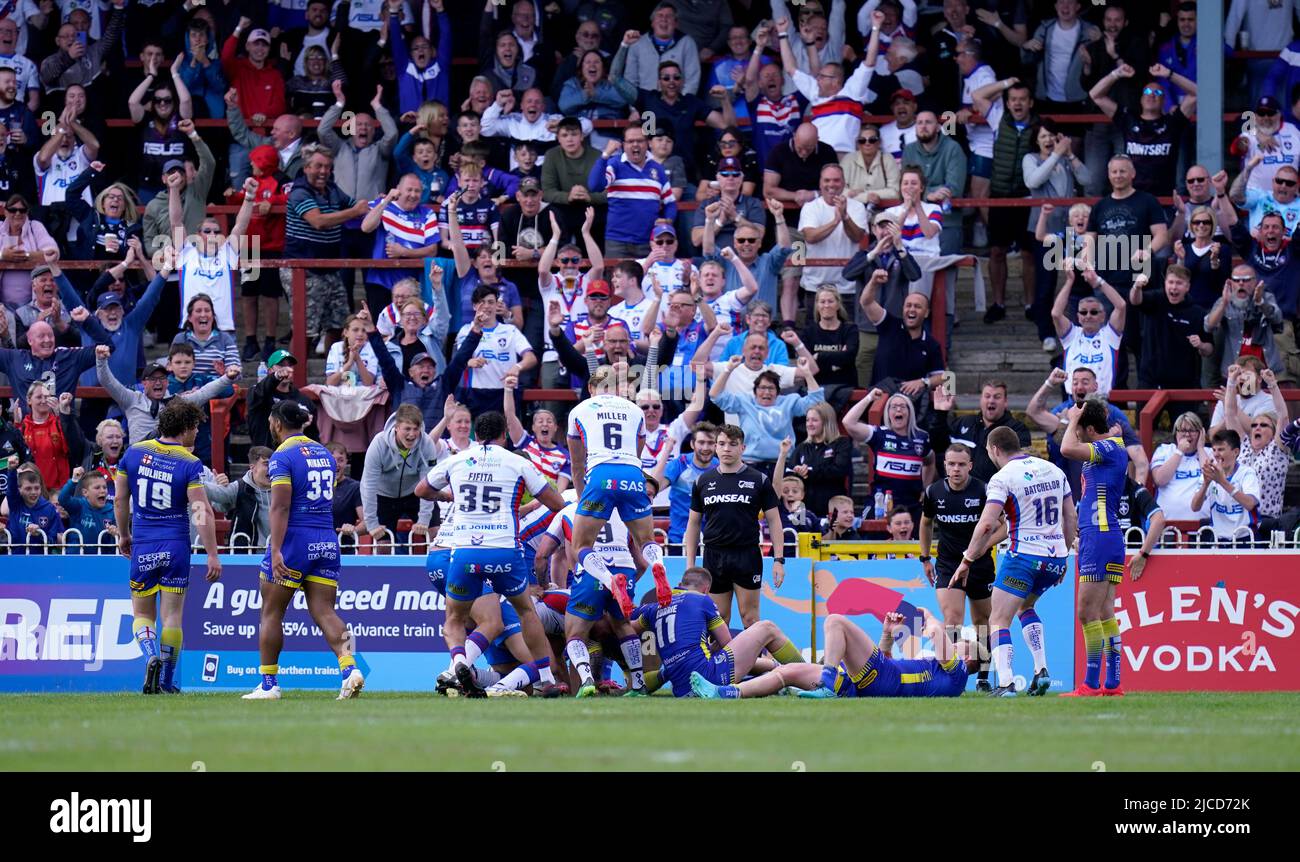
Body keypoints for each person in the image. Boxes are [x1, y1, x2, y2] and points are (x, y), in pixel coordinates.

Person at [415, 411, 566, 697]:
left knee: (455, 617)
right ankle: (546, 678)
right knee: (526, 611)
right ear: (504, 435)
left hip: (463, 553)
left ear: (475, 434)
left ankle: (458, 662)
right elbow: (557, 502)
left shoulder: (456, 460)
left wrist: (448, 496)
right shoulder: (517, 462)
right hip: (503, 551)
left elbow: (421, 489)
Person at [242, 401, 360, 701]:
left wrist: (277, 548)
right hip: (326, 538)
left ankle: (269, 684)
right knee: (325, 611)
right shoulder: (323, 452)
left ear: (279, 423)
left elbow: (281, 505)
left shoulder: (282, 455)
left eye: (271, 419)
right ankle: (349, 669)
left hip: (295, 538)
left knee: (271, 612)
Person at [954, 426, 1077, 697]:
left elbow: (987, 523)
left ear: (995, 449)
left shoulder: (1003, 478)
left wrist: (967, 559)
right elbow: (1071, 518)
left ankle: (1007, 683)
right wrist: (1064, 554)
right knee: (1026, 606)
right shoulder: (1054, 470)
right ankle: (1041, 669)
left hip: (1023, 556)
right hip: (1054, 557)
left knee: (998, 620)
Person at [115, 399, 221, 695]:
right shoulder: (189, 463)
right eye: (196, 427)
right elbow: (201, 510)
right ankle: (167, 680)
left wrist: (124, 534)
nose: (197, 433)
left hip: (144, 542)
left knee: (142, 614)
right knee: (172, 616)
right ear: (185, 427)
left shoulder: (133, 453)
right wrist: (212, 553)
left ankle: (149, 655)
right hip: (175, 544)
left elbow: (120, 500)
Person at [564, 365, 670, 615]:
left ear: (591, 388)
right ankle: (657, 564)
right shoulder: (635, 410)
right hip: (632, 474)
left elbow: (577, 465)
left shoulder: (579, 410)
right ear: (615, 388)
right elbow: (637, 453)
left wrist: (583, 499)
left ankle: (611, 581)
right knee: (646, 540)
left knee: (581, 546)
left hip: (600, 474)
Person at [691, 608, 971, 700]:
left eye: (963, 645)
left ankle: (828, 678)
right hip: (871, 684)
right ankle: (725, 692)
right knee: (785, 672)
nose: (958, 644)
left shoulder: (956, 673)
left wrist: (928, 616)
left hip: (880, 680)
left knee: (835, 621)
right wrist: (886, 633)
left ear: (968, 660)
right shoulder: (936, 672)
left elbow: (935, 632)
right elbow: (887, 663)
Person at [634, 566, 805, 698]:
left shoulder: (653, 608)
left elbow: (628, 627)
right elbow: (727, 644)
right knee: (767, 628)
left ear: (680, 585)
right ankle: (806, 674)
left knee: (717, 657)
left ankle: (779, 669)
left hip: (681, 688)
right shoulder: (701, 599)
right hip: (707, 678)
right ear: (706, 589)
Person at [1057, 399, 1129, 696]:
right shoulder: (1110, 448)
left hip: (1099, 536)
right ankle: (1111, 684)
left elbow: (1065, 449)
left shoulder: (1109, 447)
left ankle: (1090, 683)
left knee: (1087, 612)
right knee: (1105, 611)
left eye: (1080, 426)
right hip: (1103, 534)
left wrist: (1072, 419)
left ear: (1088, 427)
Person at [683, 422, 785, 629]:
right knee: (718, 620)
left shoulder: (759, 480)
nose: (726, 449)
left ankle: (755, 662)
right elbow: (693, 524)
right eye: (721, 444)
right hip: (714, 556)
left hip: (746, 556)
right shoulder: (702, 481)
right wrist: (690, 564)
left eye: (732, 444)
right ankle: (722, 662)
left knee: (750, 619)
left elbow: (774, 520)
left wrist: (779, 559)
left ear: (742, 448)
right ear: (715, 447)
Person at [920, 442, 999, 691]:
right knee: (953, 619)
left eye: (961, 465)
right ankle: (953, 676)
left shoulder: (984, 490)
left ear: (970, 466)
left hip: (979, 564)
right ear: (944, 465)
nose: (956, 469)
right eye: (951, 464)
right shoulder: (934, 492)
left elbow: (1005, 526)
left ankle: (984, 677)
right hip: (948, 563)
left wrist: (985, 546)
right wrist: (924, 557)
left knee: (983, 621)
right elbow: (925, 523)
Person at [1027, 366, 1147, 500]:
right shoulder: (1064, 413)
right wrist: (1049, 383)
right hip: (1066, 494)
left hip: (1102, 497)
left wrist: (1136, 497)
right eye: (1075, 382)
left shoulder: (1115, 419)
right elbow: (1033, 412)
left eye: (1085, 382)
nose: (1079, 387)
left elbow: (1139, 462)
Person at [776, 10, 881, 156]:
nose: (817, 80)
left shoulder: (853, 92)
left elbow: (869, 62)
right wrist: (782, 34)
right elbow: (790, 68)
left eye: (822, 77)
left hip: (844, 156)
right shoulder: (815, 92)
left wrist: (876, 27)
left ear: (836, 81)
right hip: (817, 157)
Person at [1089, 61, 1197, 197]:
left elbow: (1196, 94)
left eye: (1157, 92)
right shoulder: (1128, 119)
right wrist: (1116, 74)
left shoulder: (1172, 122)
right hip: (1132, 197)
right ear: (1141, 99)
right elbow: (1095, 95)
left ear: (1164, 101)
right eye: (1147, 91)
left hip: (1163, 199)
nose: (1151, 95)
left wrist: (1169, 74)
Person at [96, 348, 235, 446]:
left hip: (166, 460)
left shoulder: (176, 402)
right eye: (153, 379)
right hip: (139, 456)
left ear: (167, 382)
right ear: (144, 383)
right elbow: (108, 382)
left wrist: (227, 378)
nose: (158, 382)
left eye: (162, 378)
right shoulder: (131, 399)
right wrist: (101, 360)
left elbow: (205, 392)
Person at [710, 357, 824, 473]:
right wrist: (728, 369)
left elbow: (817, 402)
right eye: (762, 388)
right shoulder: (745, 402)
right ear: (755, 391)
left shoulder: (788, 402)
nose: (767, 392)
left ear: (777, 392)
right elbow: (715, 395)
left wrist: (807, 373)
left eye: (771, 388)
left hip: (781, 464)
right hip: (750, 465)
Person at [843, 387, 933, 519]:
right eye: (893, 406)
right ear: (888, 412)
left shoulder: (922, 437)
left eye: (903, 406)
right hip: (881, 504)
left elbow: (930, 461)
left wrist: (926, 488)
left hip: (911, 506)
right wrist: (869, 398)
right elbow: (848, 422)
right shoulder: (879, 434)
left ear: (910, 412)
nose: (898, 410)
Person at [587, 127, 675, 259]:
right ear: (623, 145)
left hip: (649, 242)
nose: (635, 145)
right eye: (630, 141)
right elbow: (594, 185)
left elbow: (670, 203)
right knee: (615, 280)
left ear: (647, 143)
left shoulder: (658, 169)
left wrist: (667, 221)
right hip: (617, 242)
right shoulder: (614, 165)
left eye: (640, 140)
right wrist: (605, 155)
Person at [795, 163, 866, 322]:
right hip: (816, 286)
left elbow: (857, 237)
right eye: (827, 180)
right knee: (814, 341)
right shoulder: (810, 207)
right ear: (820, 183)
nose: (831, 185)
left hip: (847, 287)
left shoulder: (857, 207)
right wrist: (835, 221)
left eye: (836, 180)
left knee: (847, 341)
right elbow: (810, 237)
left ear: (843, 183)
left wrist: (845, 217)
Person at [858, 269, 943, 393]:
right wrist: (873, 282)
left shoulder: (931, 344)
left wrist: (923, 382)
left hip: (911, 405)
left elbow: (947, 377)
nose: (912, 309)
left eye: (917, 306)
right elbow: (866, 302)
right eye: (908, 305)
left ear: (926, 313)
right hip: (881, 400)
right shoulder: (889, 324)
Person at [1129, 264, 1212, 390]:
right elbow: (1135, 301)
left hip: (1184, 384)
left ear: (1187, 287)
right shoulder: (1155, 299)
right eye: (1171, 282)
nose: (1174, 287)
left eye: (1179, 283)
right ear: (1165, 283)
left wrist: (1201, 345)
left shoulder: (1197, 312)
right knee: (1146, 411)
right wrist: (1137, 287)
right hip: (1150, 381)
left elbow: (1209, 349)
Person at [1224, 365, 1292, 521]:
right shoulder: (1244, 447)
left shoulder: (1277, 449)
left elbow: (1282, 416)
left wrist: (1273, 385)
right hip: (1239, 521)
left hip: (1267, 521)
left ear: (1273, 431)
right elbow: (1230, 414)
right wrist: (1231, 382)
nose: (1257, 428)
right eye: (1254, 425)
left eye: (1263, 425)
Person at [1050, 268, 1128, 397]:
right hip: (1072, 401)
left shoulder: (1109, 336)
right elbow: (1056, 314)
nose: (1088, 316)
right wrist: (1069, 281)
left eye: (1094, 312)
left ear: (1103, 316)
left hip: (1102, 402)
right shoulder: (1072, 336)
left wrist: (1098, 281)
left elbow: (1121, 305)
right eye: (1083, 312)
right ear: (1078, 316)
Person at [1190, 429, 1260, 545]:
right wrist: (1205, 484)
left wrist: (1222, 482)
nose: (1216, 454)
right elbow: (1195, 507)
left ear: (1236, 452)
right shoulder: (1210, 473)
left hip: (1246, 539)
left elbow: (1250, 504)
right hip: (1219, 540)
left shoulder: (1247, 473)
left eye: (1221, 449)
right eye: (1214, 450)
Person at [786, 401, 852, 520]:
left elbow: (839, 470)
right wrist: (797, 473)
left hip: (831, 511)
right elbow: (789, 473)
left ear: (826, 422)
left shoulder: (841, 443)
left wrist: (809, 472)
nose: (809, 424)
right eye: (807, 420)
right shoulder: (802, 447)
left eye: (814, 420)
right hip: (805, 512)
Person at [1151, 411, 1211, 523]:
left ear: (1200, 433)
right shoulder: (1164, 450)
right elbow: (1160, 480)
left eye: (1192, 430)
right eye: (1183, 430)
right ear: (1176, 433)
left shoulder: (1209, 453)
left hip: (1202, 526)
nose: (1187, 434)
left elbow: (1211, 478)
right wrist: (1180, 451)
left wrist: (1201, 449)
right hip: (1168, 525)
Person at [58, 467, 115, 552]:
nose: (103, 491)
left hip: (101, 561)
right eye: (97, 488)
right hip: (76, 559)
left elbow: (114, 545)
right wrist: (74, 480)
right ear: (85, 492)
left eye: (104, 487)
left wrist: (115, 534)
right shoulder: (79, 506)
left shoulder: (112, 511)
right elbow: (63, 499)